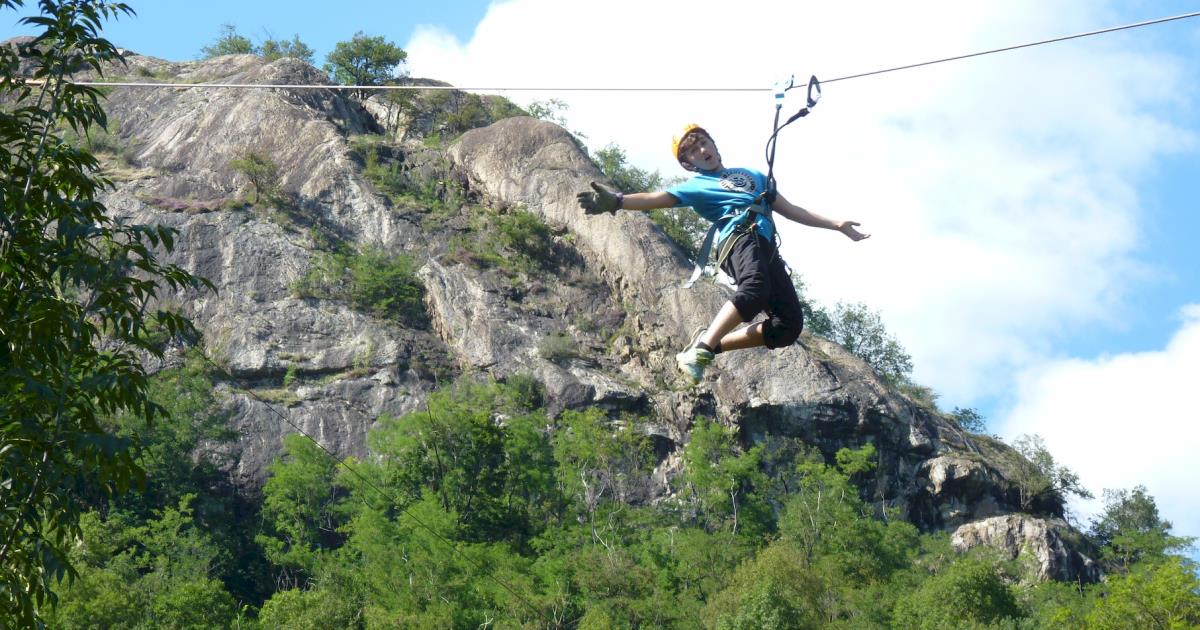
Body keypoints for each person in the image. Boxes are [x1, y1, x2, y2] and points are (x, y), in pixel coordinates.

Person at [577, 124, 869, 384]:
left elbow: (791, 210)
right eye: (691, 151)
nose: (701, 150)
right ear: (688, 164)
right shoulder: (697, 186)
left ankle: (708, 344)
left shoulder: (752, 175)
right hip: (739, 238)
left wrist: (836, 224)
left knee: (788, 327)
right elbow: (657, 199)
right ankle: (702, 351)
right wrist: (617, 201)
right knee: (754, 290)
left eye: (703, 142)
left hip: (766, 247)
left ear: (714, 144)